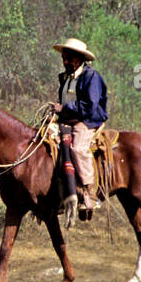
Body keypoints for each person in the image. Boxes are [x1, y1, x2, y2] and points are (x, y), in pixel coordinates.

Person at [51, 37, 108, 221]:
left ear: (79, 59)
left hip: (87, 120)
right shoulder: (66, 77)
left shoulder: (92, 77)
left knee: (77, 149)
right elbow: (66, 101)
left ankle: (89, 192)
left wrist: (64, 108)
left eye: (69, 58)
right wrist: (57, 109)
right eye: (64, 58)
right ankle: (60, 192)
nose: (65, 62)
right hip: (68, 119)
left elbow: (90, 106)